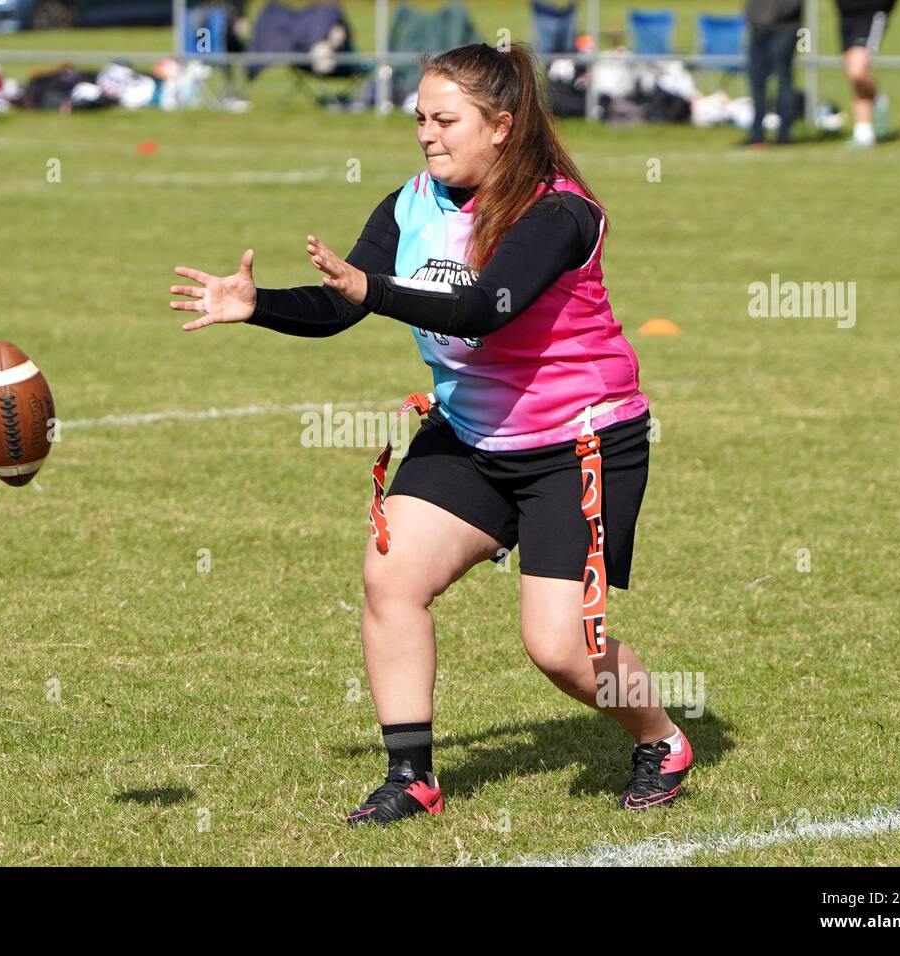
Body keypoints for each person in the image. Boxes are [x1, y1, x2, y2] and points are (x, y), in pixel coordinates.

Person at [169, 43, 694, 826]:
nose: (426, 133)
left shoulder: (558, 212)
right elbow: (344, 304)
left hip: (577, 445)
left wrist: (375, 290)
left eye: (446, 119)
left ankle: (661, 739)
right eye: (420, 117)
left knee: (558, 648)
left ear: (503, 127)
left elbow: (488, 307)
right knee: (392, 579)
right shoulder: (410, 203)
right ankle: (411, 776)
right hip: (471, 435)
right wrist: (259, 305)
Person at [835, 0, 897, 146]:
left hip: (871, 13)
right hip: (846, 14)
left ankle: (877, 97)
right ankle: (863, 132)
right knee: (852, 71)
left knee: (857, 71)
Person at [744, 0, 802, 145]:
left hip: (785, 27)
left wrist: (781, 12)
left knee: (783, 78)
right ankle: (757, 132)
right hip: (759, 26)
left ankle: (784, 133)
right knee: (756, 79)